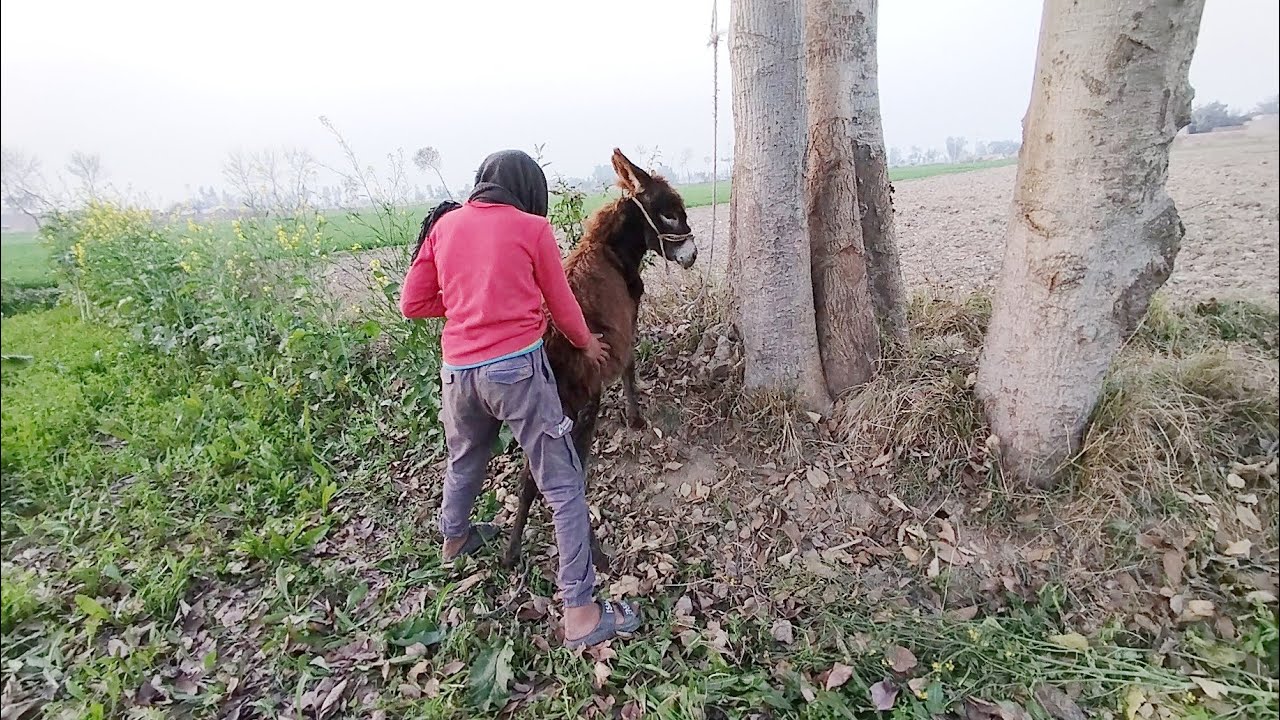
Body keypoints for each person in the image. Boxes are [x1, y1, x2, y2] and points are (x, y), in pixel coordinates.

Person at [400, 149, 641, 648]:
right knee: (563, 483)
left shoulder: (445, 227)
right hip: (515, 371)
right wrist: (587, 343)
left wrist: (472, 300)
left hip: (458, 372)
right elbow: (563, 302)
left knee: (464, 457)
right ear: (529, 190)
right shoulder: (532, 229)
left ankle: (455, 539)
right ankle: (580, 613)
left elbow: (414, 302)